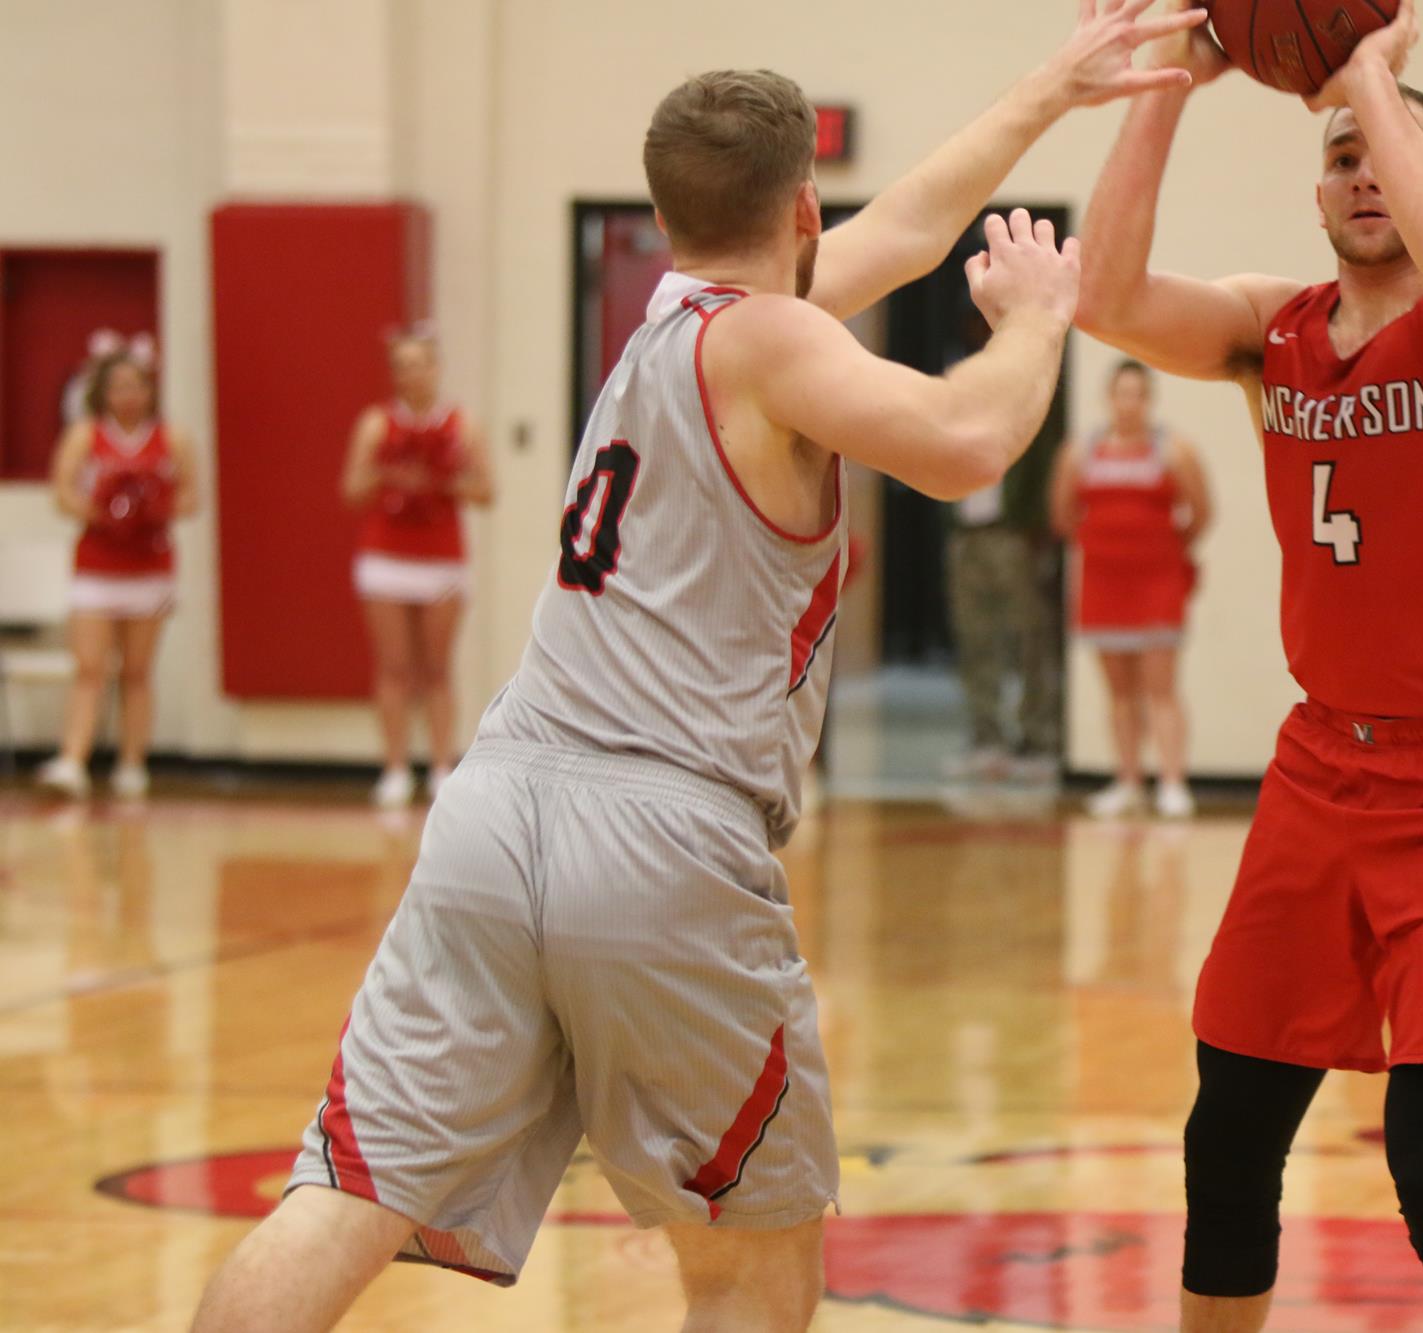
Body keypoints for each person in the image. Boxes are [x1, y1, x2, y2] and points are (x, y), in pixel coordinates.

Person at [189, 5, 1203, 1330]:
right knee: (749, 1271)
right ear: (800, 203)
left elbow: (899, 227)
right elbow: (964, 443)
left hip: (497, 812)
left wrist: (1051, 92)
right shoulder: (775, 344)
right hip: (661, 833)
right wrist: (1037, 320)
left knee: (341, 1202)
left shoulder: (674, 325)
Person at [1074, 2, 1423, 1325]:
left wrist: (1360, 72)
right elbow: (1108, 299)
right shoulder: (1270, 326)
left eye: (1383, 155)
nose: (1360, 173)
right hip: (1315, 775)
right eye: (1338, 154)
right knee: (1227, 1131)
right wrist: (1168, 86)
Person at [36, 344, 198, 801]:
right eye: (118, 386)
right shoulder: (86, 436)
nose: (128, 395)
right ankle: (73, 758)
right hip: (97, 564)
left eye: (137, 385)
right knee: (89, 667)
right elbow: (62, 493)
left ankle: (132, 763)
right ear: (102, 393)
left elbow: (192, 496)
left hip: (150, 567)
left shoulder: (173, 438)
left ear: (151, 390)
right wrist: (106, 512)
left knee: (137, 669)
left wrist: (152, 509)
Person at [342, 330, 495, 808]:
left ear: (437, 367)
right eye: (403, 365)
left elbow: (486, 491)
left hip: (441, 558)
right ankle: (393, 768)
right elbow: (351, 490)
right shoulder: (376, 424)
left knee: (437, 667)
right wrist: (390, 473)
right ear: (394, 373)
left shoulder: (462, 423)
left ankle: (441, 766)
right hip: (385, 556)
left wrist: (444, 479)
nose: (413, 373)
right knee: (393, 667)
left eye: (421, 363)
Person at [1050, 358, 1210, 818]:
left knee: (1162, 688)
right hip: (1103, 585)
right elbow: (1063, 514)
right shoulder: (1080, 452)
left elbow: (1200, 511)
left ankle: (1173, 783)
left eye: (1138, 394)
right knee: (1119, 692)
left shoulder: (1175, 451)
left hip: (1158, 583)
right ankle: (1128, 781)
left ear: (1149, 400)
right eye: (1121, 393)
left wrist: (1164, 549)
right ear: (1109, 397)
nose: (1129, 403)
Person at [943, 301, 1066, 784]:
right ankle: (986, 740)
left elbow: (1045, 458)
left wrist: (1038, 525)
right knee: (976, 642)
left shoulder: (1029, 384)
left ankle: (1037, 741)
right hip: (966, 535)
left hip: (1013, 535)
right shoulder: (953, 381)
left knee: (1030, 641)